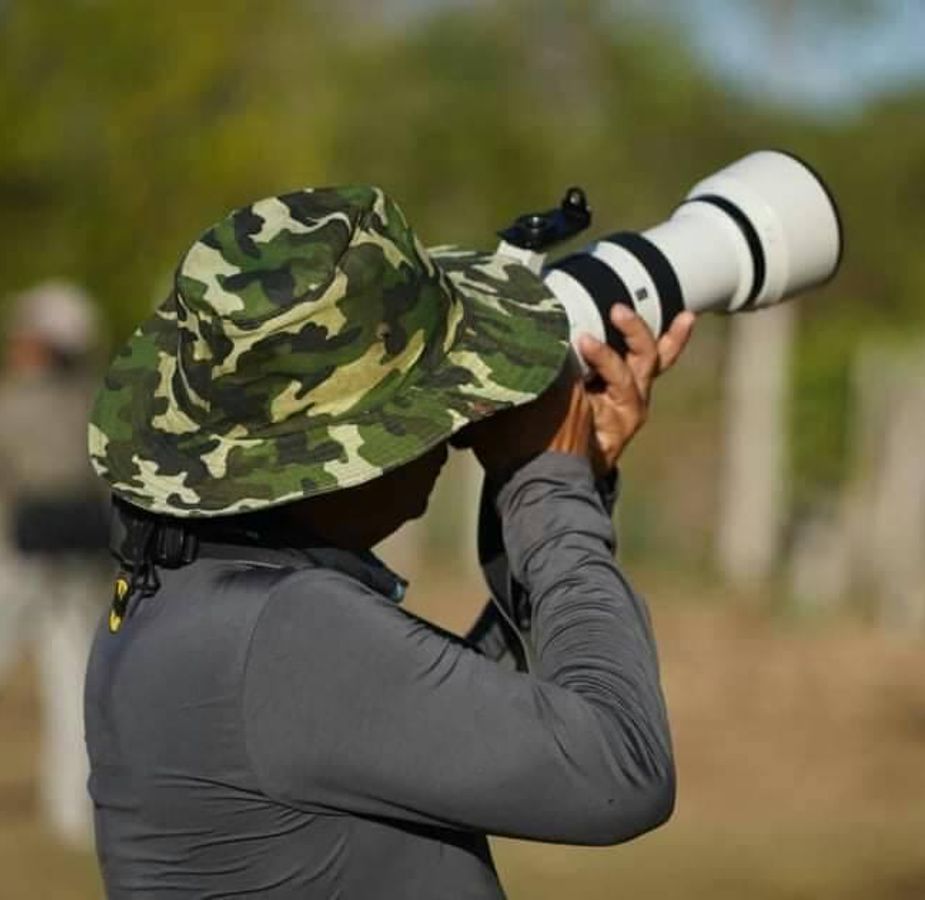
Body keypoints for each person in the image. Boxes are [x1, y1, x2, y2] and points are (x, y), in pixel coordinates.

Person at [85, 185, 695, 898]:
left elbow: (478, 720)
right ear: (328, 455)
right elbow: (619, 770)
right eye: (425, 402)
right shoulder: (284, 634)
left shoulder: (193, 598)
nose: (452, 425)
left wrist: (561, 483)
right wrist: (550, 491)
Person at [0, 280, 109, 850]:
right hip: (51, 561)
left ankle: (74, 813)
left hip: (29, 562)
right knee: (74, 684)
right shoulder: (99, 404)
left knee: (72, 682)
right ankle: (74, 814)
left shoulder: (23, 402)